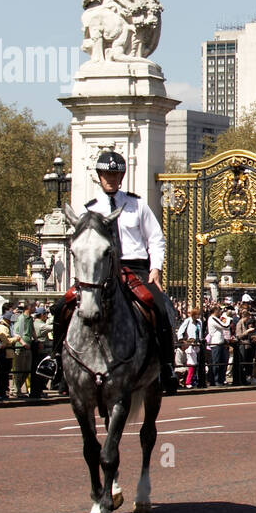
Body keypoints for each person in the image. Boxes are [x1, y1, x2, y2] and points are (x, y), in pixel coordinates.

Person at [40, 150, 179, 395]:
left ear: (122, 176)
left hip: (134, 267)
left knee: (158, 305)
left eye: (115, 174)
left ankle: (167, 365)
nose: (111, 179)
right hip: (101, 272)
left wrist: (155, 268)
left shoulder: (137, 205)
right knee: (62, 306)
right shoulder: (90, 209)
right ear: (99, 176)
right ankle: (56, 362)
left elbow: (156, 239)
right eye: (106, 174)